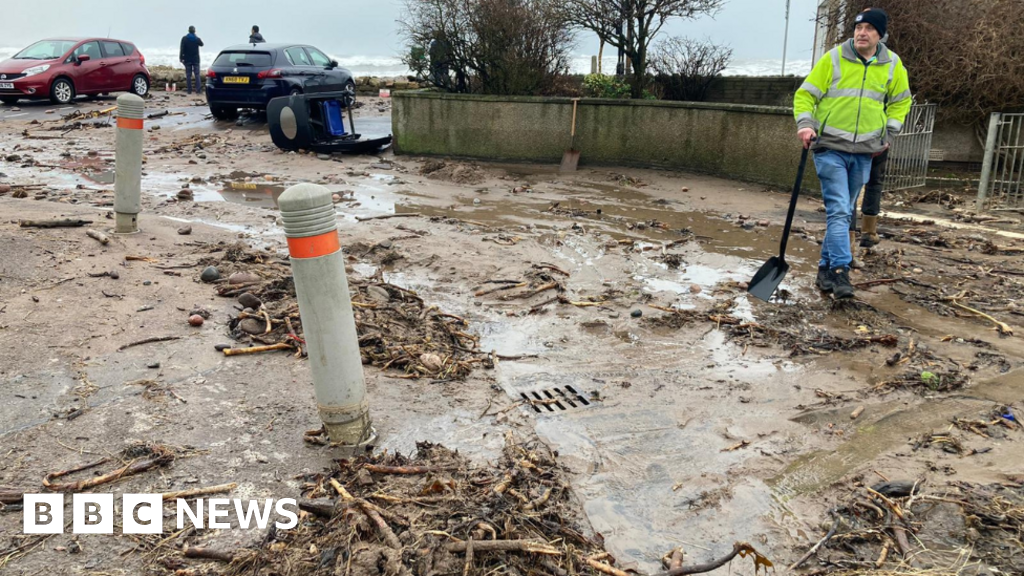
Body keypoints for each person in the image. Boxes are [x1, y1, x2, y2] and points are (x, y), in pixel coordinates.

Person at [793, 7, 911, 299]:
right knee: (840, 210)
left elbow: (900, 102)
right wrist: (806, 125)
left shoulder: (893, 65)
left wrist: (888, 134)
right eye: (859, 27)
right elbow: (806, 94)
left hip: (864, 152)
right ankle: (840, 271)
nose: (862, 32)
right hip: (830, 146)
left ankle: (824, 269)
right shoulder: (833, 58)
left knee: (844, 209)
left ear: (880, 34)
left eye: (870, 28)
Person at [179, 26, 204, 95]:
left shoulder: (184, 39)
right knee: (197, 74)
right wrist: (196, 36)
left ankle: (189, 90)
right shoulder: (196, 39)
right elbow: (202, 44)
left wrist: (181, 58)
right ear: (194, 31)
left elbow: (182, 48)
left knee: (188, 75)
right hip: (196, 59)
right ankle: (198, 90)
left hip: (187, 59)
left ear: (188, 31)